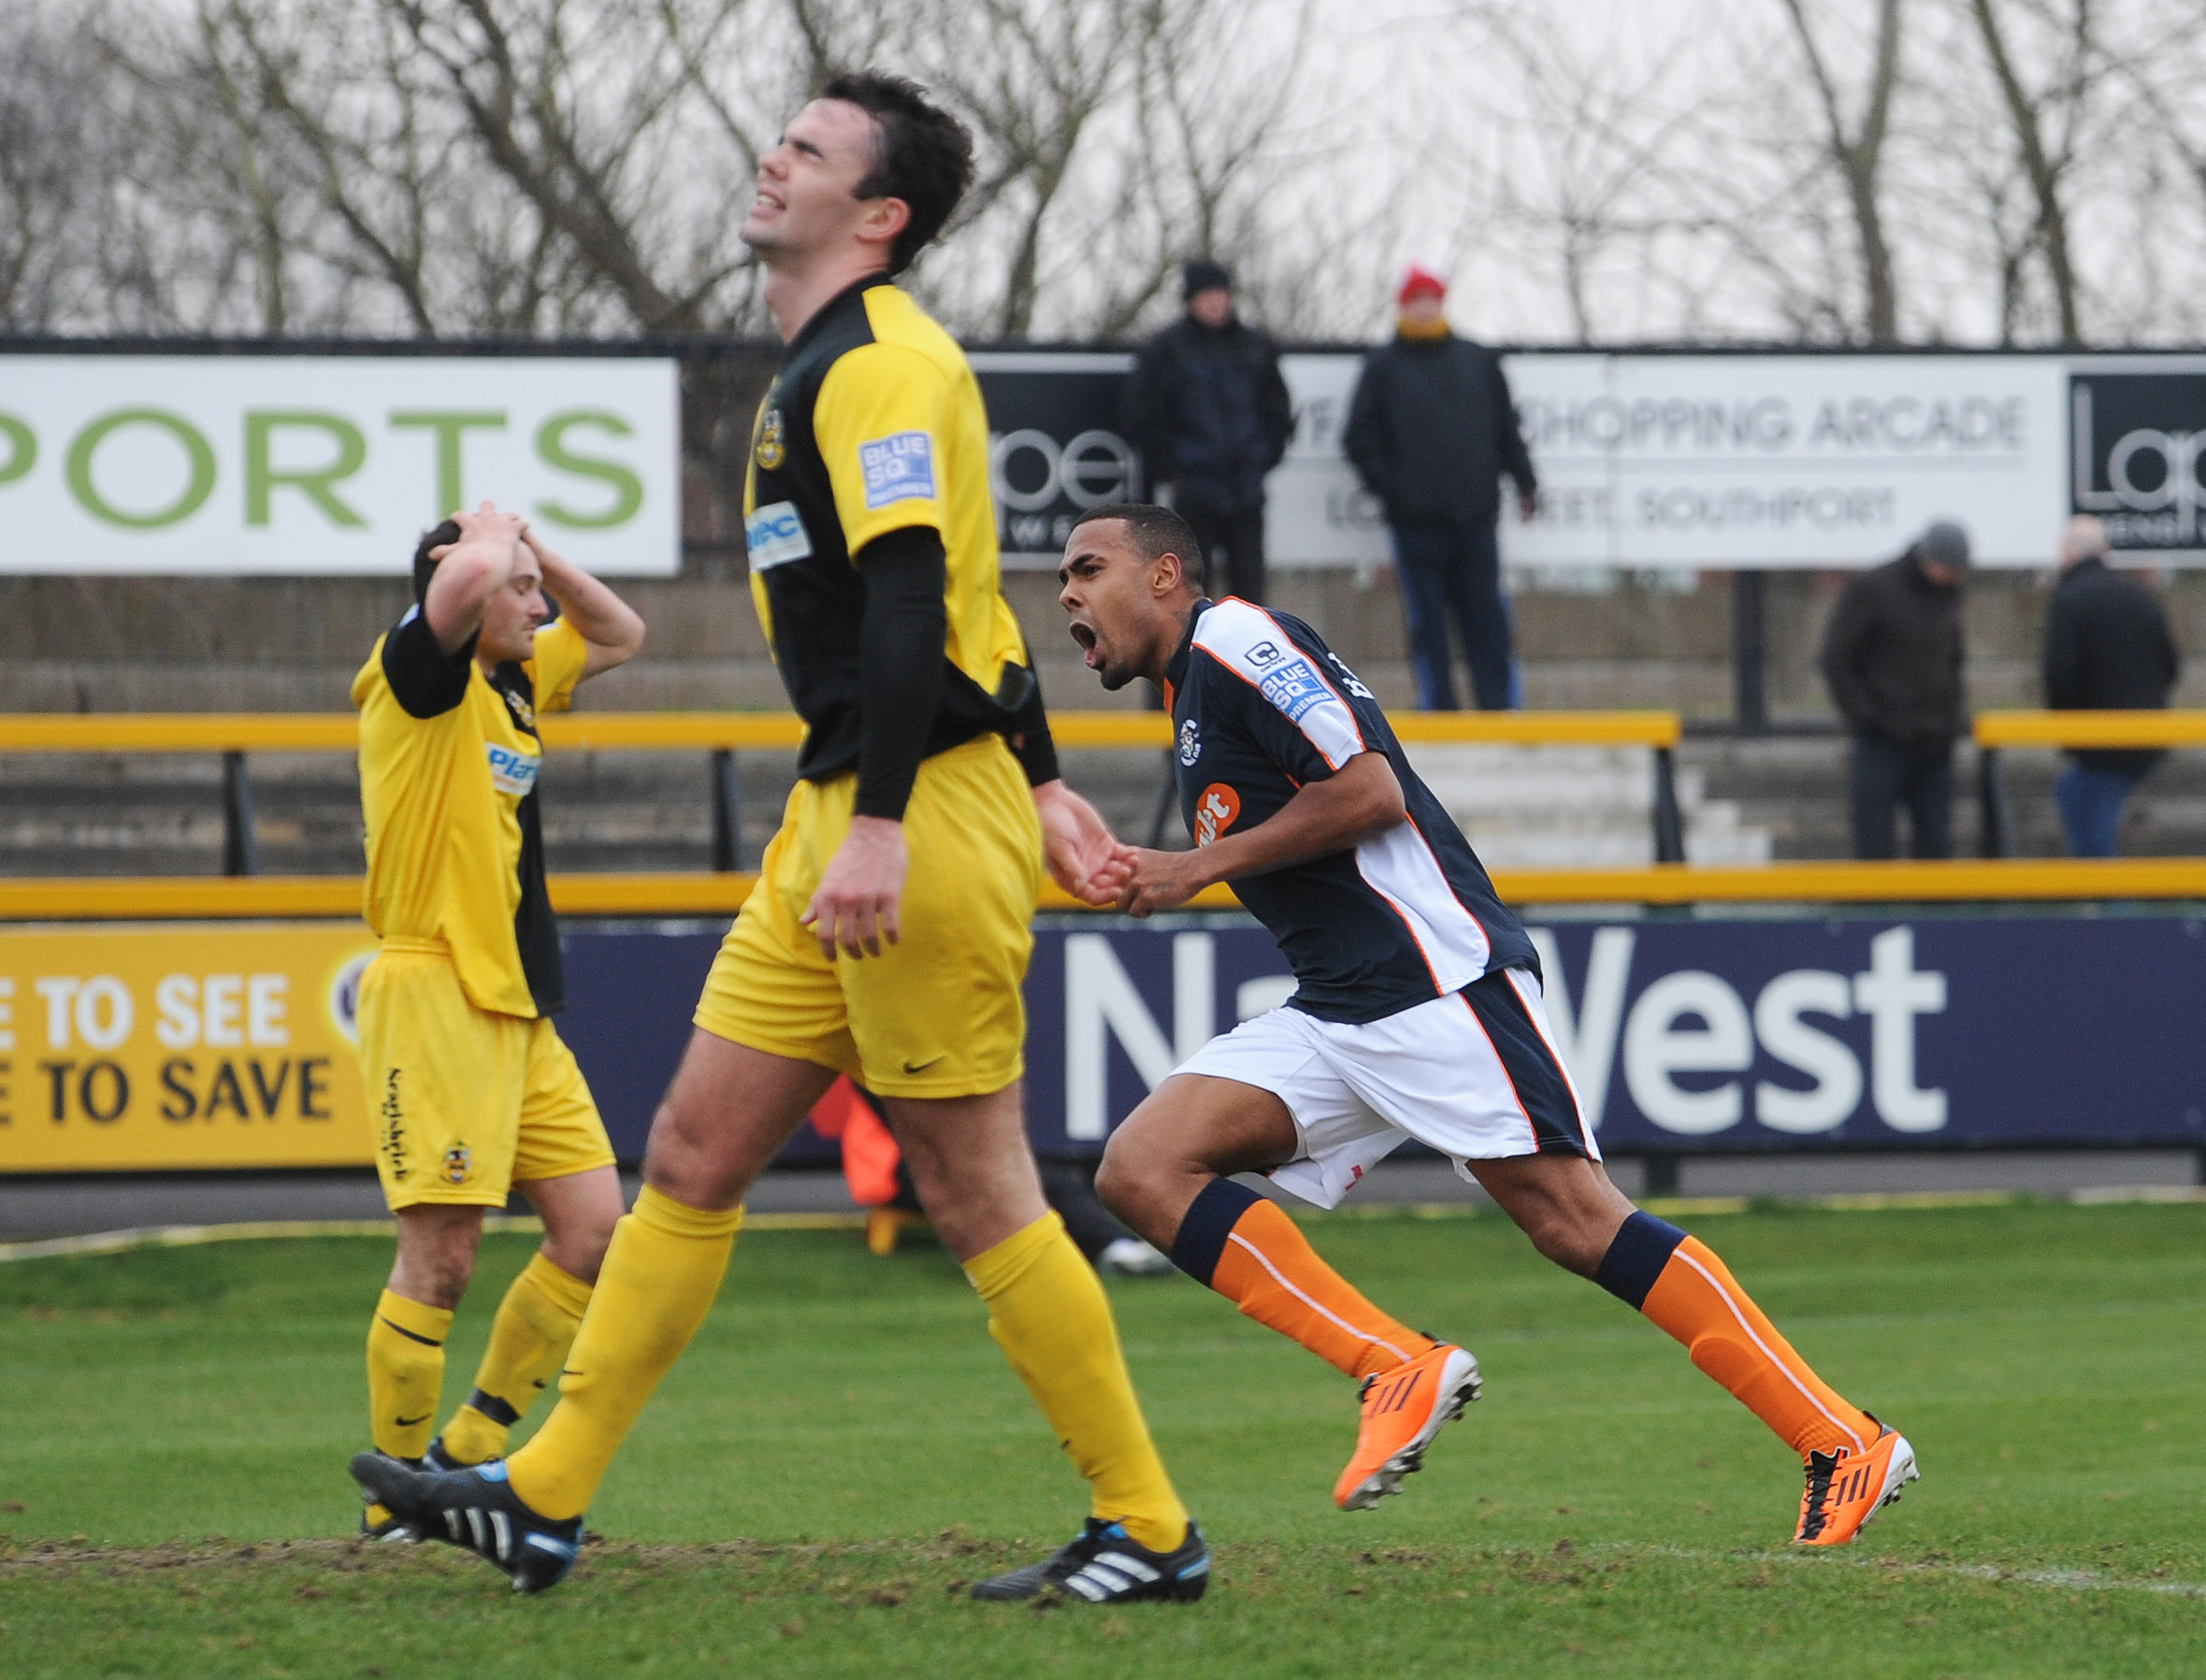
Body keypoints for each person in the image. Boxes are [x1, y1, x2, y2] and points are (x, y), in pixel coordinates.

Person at [354, 73, 1206, 1607]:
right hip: (855, 809)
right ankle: (542, 1499)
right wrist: (1038, 778)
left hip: (901, 814)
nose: (772, 157)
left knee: (975, 1190)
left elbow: (909, 598)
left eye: (806, 149)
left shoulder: (880, 363)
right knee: (689, 1153)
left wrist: (892, 819)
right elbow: (968, 602)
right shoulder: (815, 369)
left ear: (877, 214)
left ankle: (1146, 1527)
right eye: (780, 138)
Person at [1054, 501, 1919, 1546]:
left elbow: (1370, 791)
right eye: (1063, 577)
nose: (1067, 593)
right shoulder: (1188, 691)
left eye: (1088, 568)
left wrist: (1194, 867)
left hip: (1434, 980)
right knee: (1143, 1167)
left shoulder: (1238, 638)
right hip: (1340, 1004)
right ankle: (1394, 1366)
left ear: (1164, 576)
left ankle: (1841, 1439)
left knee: (1577, 1222)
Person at [350, 503, 645, 1539]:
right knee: (442, 1257)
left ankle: (461, 1461)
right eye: (517, 588)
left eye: (535, 586)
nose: (538, 604)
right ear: (458, 585)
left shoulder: (512, 681)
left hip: (516, 1001)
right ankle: (392, 1503)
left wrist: (537, 553)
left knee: (595, 1232)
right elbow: (466, 585)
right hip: (434, 990)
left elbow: (620, 633)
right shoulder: (417, 674)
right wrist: (484, 539)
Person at [1342, 265, 1537, 711]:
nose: (1426, 308)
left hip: (1475, 517)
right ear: (1403, 305)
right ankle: (1439, 706)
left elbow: (1506, 430)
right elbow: (1358, 438)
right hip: (1415, 523)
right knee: (1426, 623)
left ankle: (1498, 706)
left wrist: (1525, 481)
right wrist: (1394, 491)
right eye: (1417, 300)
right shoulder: (1383, 365)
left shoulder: (1478, 360)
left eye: (1432, 299)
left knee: (1487, 618)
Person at [1121, 258, 1292, 604]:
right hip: (1194, 493)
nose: (1215, 302)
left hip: (1246, 491)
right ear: (1190, 300)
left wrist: (1261, 461)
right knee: (1189, 593)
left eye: (1221, 294)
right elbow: (1142, 416)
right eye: (1206, 295)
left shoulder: (1255, 347)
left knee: (1251, 598)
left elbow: (1278, 411)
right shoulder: (1165, 350)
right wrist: (1174, 470)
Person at [1819, 520, 1970, 860]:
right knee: (1875, 847)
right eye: (1950, 570)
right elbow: (1835, 659)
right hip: (1882, 741)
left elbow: (1952, 659)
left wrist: (1952, 717)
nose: (1955, 578)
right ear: (1929, 560)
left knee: (1937, 846)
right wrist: (1866, 719)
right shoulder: (1873, 588)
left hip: (1935, 742)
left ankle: (1934, 900)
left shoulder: (1948, 592)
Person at [2044, 515, 2181, 857]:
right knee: (2074, 795)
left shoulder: (2070, 599)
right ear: (2104, 552)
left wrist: (2070, 727)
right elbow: (2171, 666)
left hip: (2099, 741)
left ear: (2066, 553)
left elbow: (2059, 674)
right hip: (2145, 733)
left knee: (2092, 831)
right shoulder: (2139, 597)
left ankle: (2104, 891)